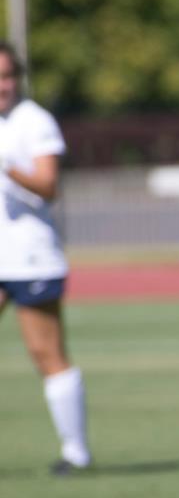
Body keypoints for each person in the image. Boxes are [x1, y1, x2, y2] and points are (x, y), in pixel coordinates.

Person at [0, 42, 90, 475]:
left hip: (31, 258)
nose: (1, 86)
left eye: (5, 76)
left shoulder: (33, 121)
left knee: (45, 352)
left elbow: (48, 185)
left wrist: (8, 167)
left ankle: (75, 451)